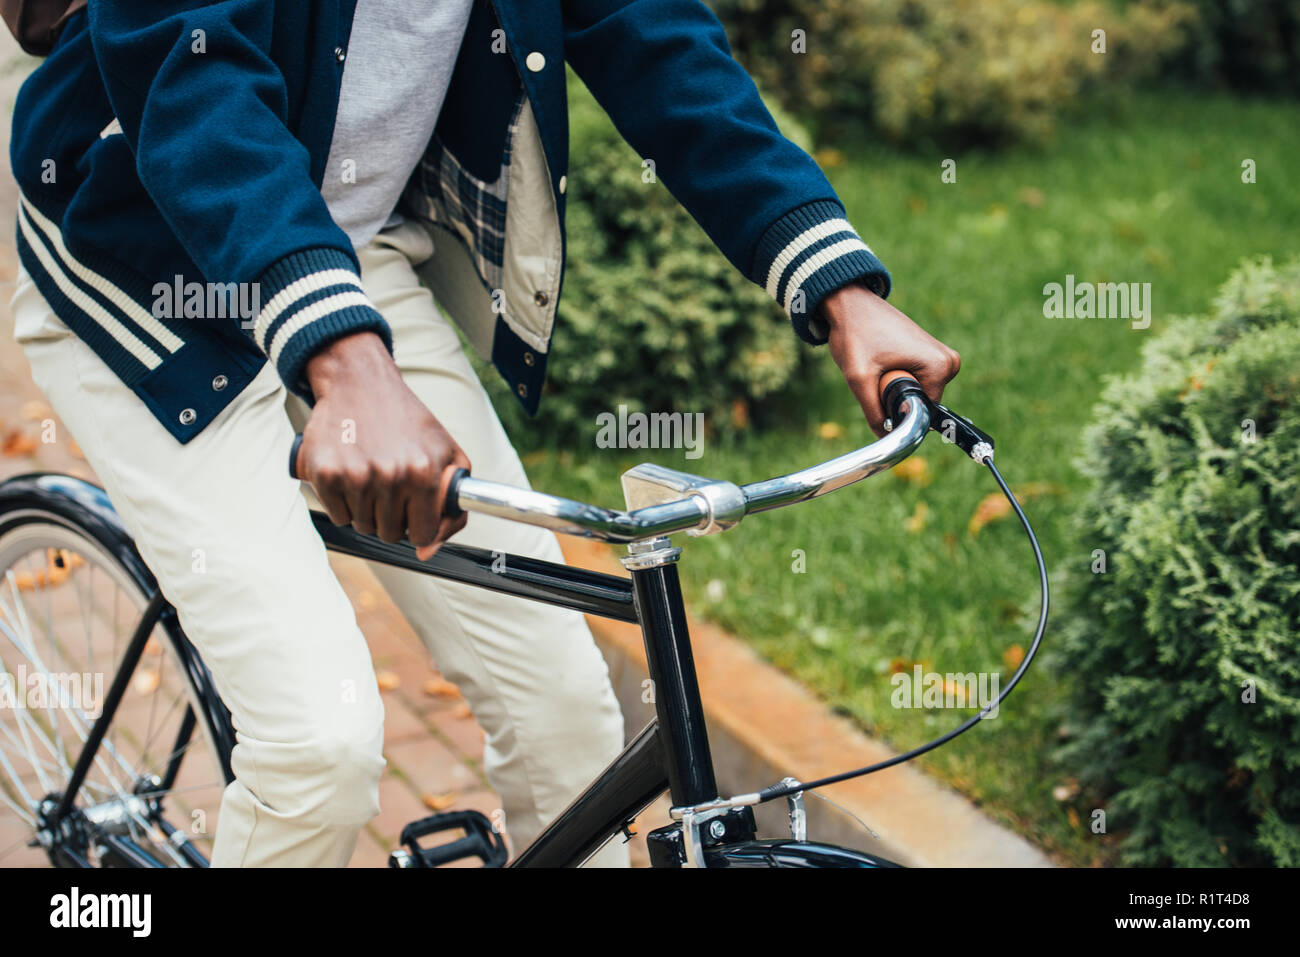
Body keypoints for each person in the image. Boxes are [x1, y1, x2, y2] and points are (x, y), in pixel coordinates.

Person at [8, 0, 960, 867]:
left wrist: (832, 277)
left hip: (341, 247)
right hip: (146, 275)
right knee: (320, 751)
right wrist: (345, 360)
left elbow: (650, 32)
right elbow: (189, 73)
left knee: (567, 720)